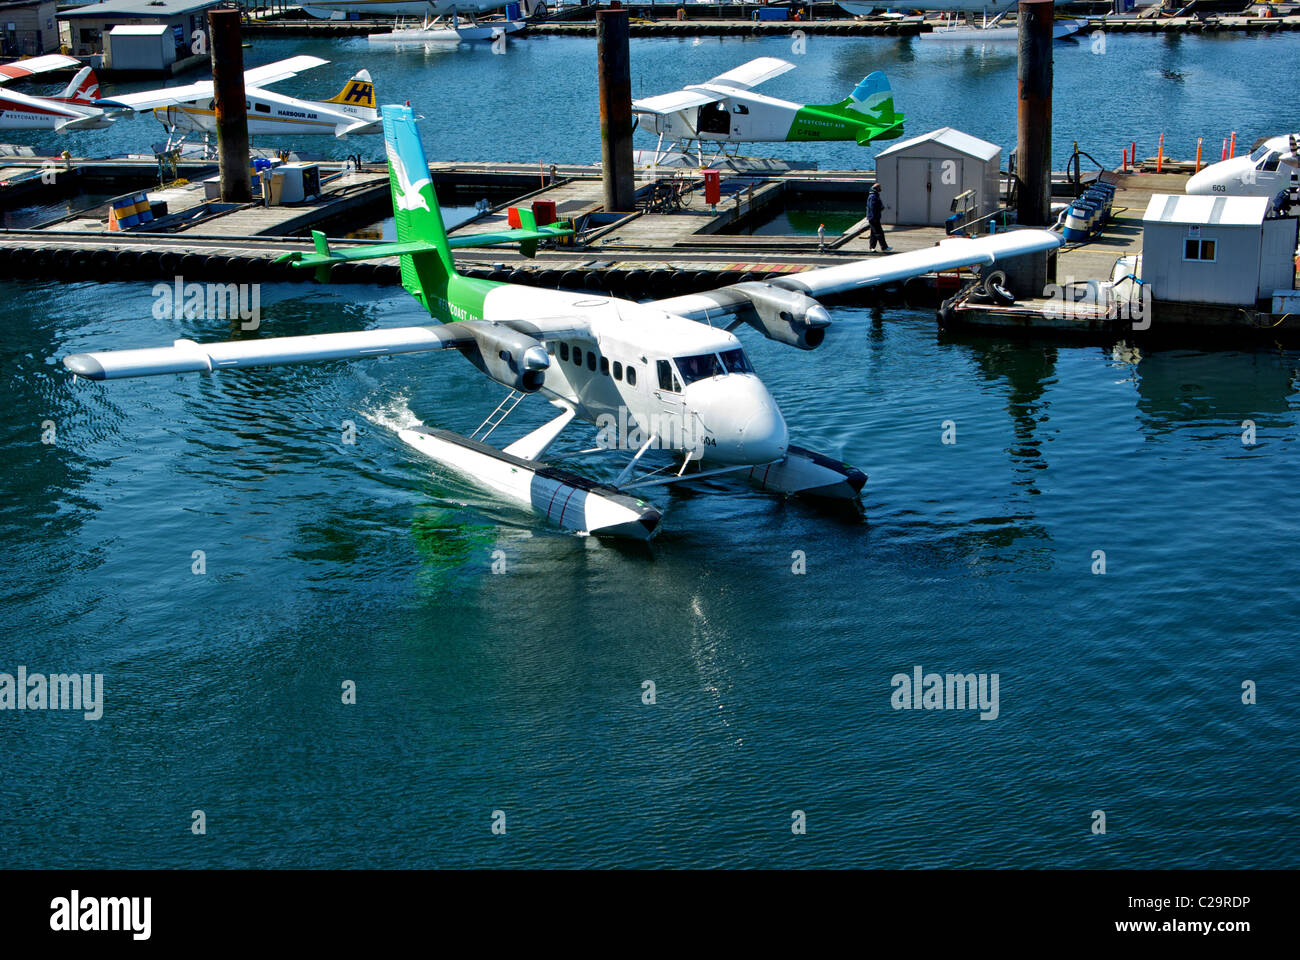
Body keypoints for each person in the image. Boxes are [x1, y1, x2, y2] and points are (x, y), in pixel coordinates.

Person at [866, 183, 890, 252]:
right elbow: (872, 208)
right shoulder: (873, 196)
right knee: (879, 233)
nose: (880, 189)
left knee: (873, 233)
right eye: (879, 188)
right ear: (876, 189)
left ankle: (872, 247)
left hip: (874, 217)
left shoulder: (874, 195)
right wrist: (875, 217)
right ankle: (884, 247)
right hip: (874, 218)